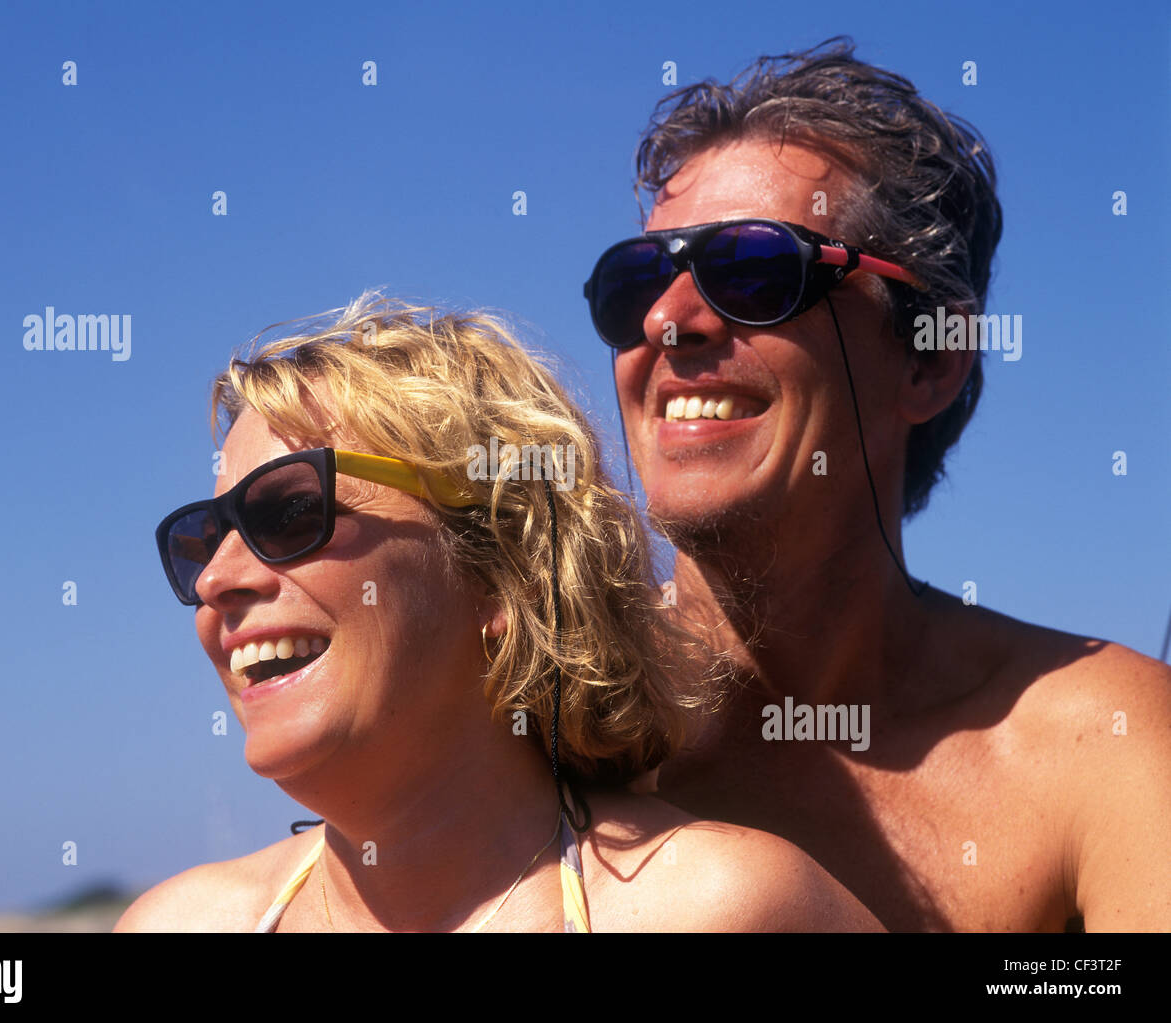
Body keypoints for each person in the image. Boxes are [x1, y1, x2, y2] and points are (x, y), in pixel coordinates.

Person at [583, 37, 1171, 932]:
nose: (668, 320)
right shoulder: (523, 723)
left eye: (753, 269)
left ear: (930, 361)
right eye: (637, 282)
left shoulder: (1098, 741)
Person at [114, 293, 881, 932]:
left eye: (289, 512)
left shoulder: (716, 909)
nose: (217, 577)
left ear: (503, 564)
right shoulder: (179, 924)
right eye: (199, 541)